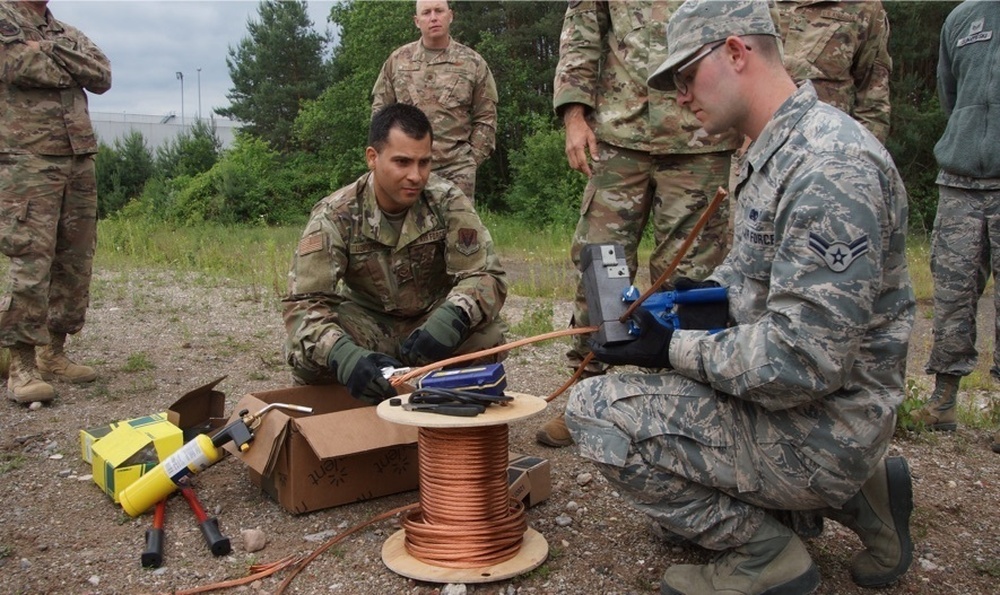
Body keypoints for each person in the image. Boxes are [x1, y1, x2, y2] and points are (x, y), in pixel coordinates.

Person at [565, 1, 916, 593]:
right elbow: (751, 282)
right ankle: (862, 493)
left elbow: (803, 360)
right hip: (811, 408)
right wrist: (686, 299)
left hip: (822, 422)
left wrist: (672, 349)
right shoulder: (772, 147)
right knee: (641, 383)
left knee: (596, 412)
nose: (680, 96)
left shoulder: (829, 167)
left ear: (735, 52)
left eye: (685, 76)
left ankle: (768, 551)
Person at [535, 0, 741, 448]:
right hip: (619, 131)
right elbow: (584, 31)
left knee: (690, 277)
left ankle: (679, 401)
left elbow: (742, 30)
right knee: (599, 263)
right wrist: (574, 116)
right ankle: (583, 391)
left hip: (701, 134)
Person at [282, 103, 507, 404]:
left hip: (431, 322)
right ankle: (335, 415)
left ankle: (451, 409)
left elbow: (487, 275)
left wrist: (453, 317)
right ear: (372, 158)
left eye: (424, 162)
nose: (416, 176)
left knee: (488, 338)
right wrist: (345, 356)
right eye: (402, 162)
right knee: (306, 355)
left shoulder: (447, 201)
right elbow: (304, 306)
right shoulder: (335, 215)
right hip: (368, 326)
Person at [0, 0, 111, 404]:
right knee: (31, 259)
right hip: (27, 157)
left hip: (78, 156)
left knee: (74, 261)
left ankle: (53, 351)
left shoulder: (64, 30)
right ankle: (22, 366)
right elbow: (15, 66)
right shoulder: (4, 18)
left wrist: (49, 51)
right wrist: (70, 63)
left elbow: (101, 74)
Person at [914, 0, 1000, 454]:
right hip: (960, 181)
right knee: (951, 292)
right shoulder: (964, 17)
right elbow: (949, 94)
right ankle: (944, 399)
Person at [371, 0, 497, 204]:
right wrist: (385, 157)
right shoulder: (398, 61)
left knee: (458, 233)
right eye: (426, 12)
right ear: (416, 21)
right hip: (406, 168)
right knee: (403, 232)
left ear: (451, 15)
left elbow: (486, 117)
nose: (433, 17)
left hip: (455, 169)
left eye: (439, 11)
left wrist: (471, 160)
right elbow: (380, 113)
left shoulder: (473, 63)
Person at [776, 0, 892, 143]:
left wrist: (855, 158)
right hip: (750, 149)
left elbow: (872, 102)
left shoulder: (865, 6)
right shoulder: (751, 4)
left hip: (824, 149)